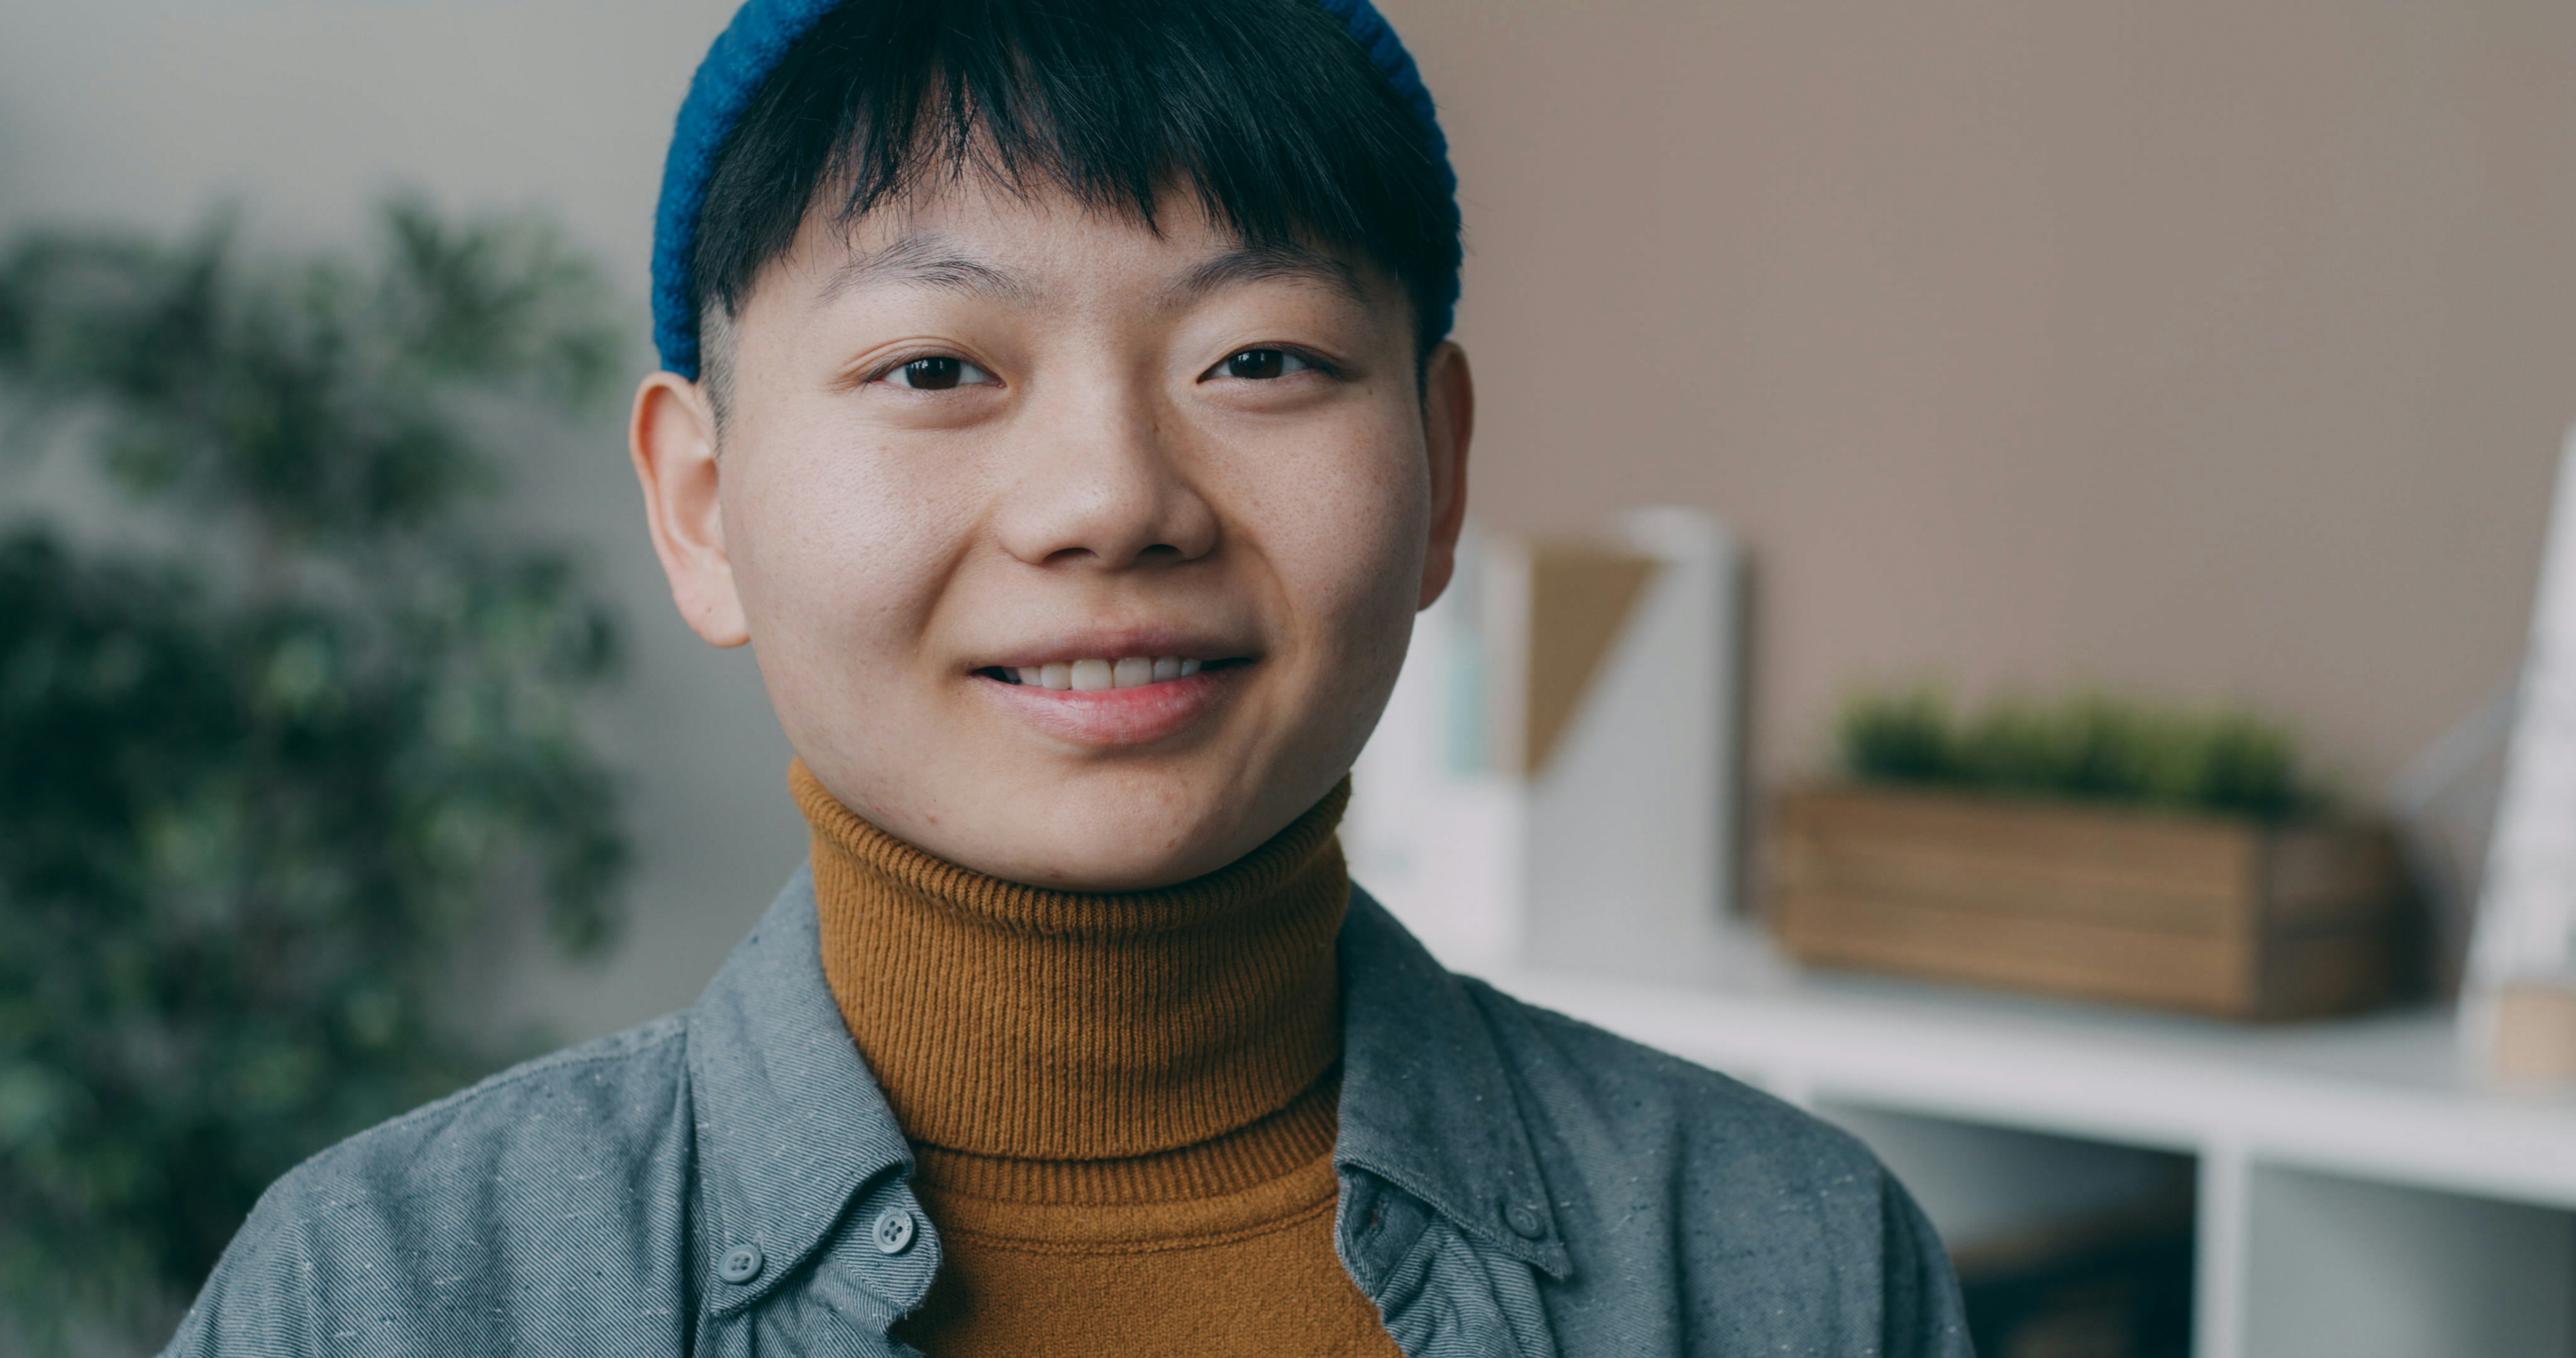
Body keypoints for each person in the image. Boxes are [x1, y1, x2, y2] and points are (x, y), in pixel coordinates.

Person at [164, 1, 1970, 1353]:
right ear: (702, 506)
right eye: (940, 368)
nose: (1114, 498)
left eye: (1258, 357)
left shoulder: (1788, 1269)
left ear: (1442, 470)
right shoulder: (386, 1296)